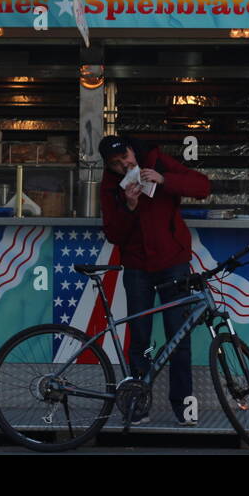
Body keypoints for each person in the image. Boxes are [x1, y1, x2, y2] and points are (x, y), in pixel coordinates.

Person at [97, 134, 210, 426]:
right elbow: (114, 234)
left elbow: (203, 186)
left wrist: (164, 179)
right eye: (117, 164)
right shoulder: (110, 186)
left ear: (133, 150)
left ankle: (183, 408)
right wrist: (130, 207)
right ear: (109, 167)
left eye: (126, 158)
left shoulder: (158, 161)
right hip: (136, 267)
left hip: (173, 263)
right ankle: (138, 405)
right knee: (140, 338)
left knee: (179, 335)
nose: (125, 165)